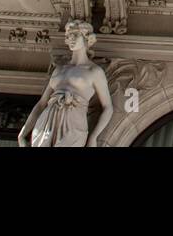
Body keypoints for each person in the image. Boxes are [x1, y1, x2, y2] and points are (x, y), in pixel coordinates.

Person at [18, 19, 113, 147]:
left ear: (86, 37)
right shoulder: (59, 69)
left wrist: (93, 137)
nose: (71, 39)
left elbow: (108, 107)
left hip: (73, 123)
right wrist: (24, 131)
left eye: (75, 35)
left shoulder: (94, 71)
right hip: (46, 121)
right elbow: (41, 104)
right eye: (68, 36)